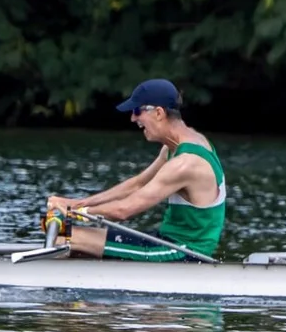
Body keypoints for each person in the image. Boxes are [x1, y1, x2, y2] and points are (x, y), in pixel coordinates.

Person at [45, 78, 226, 260]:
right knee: (64, 235)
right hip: (167, 240)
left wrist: (72, 213)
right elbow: (137, 184)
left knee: (64, 237)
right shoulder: (180, 146)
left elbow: (124, 210)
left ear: (159, 113)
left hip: (184, 253)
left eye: (137, 110)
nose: (133, 118)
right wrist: (77, 204)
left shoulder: (185, 164)